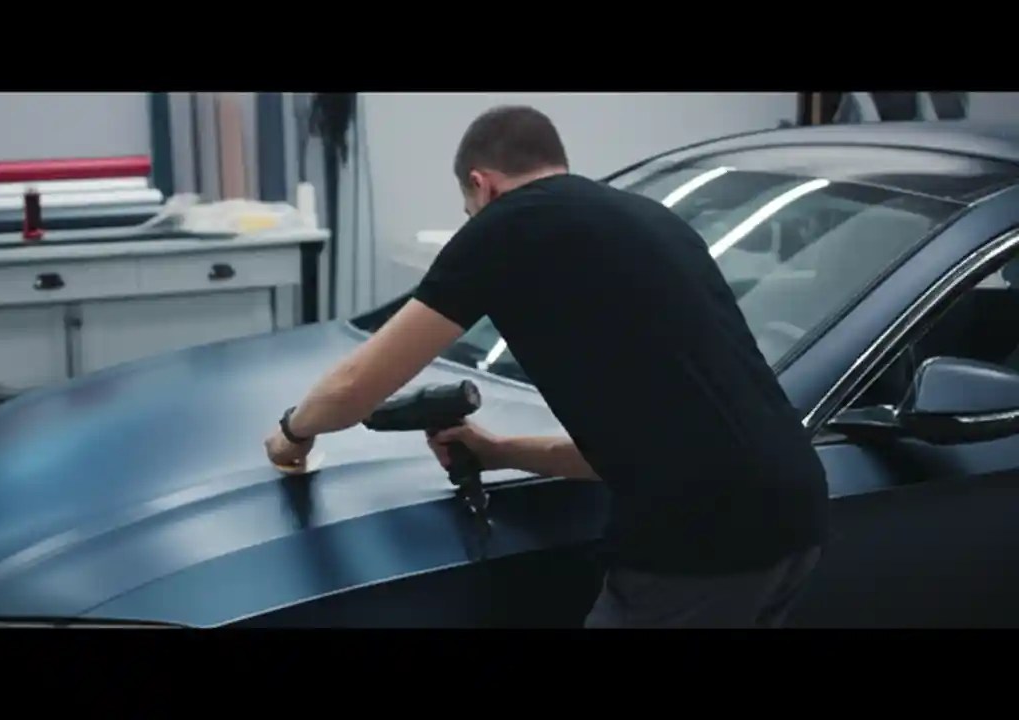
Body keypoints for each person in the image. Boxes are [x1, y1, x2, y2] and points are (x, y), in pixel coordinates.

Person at [264, 105, 830, 628]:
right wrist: (500, 451)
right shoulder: (651, 220)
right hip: (797, 517)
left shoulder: (507, 225)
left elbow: (355, 385)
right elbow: (646, 442)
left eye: (469, 209)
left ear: (482, 186)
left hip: (700, 542)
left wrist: (293, 434)